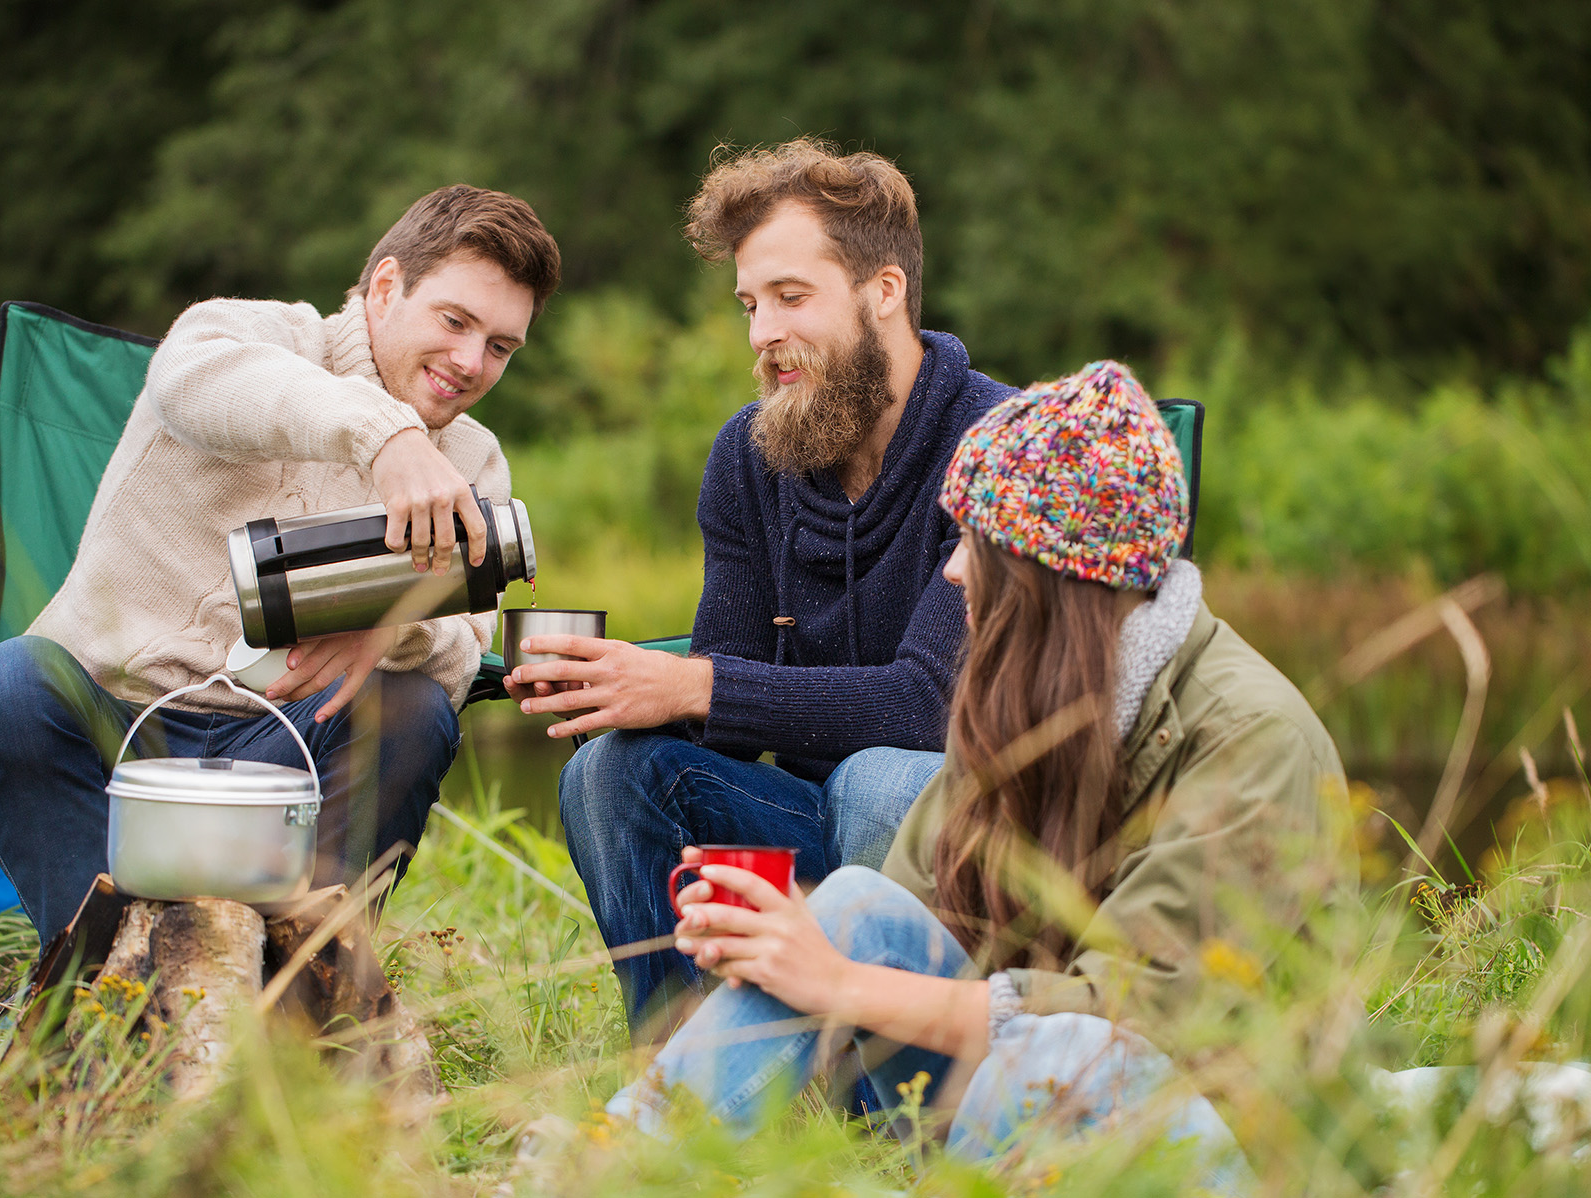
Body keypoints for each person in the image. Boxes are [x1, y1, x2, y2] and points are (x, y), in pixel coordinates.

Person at [579, 361, 1353, 1183]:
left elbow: (1138, 1020)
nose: (951, 571)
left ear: (1057, 574)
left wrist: (837, 982)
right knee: (851, 904)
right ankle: (618, 1167)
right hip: (1025, 1102)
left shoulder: (1250, 734)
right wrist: (787, 936)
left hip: (1222, 1133)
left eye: (976, 544)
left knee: (1053, 1053)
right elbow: (914, 918)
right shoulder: (1026, 689)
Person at [0, 185, 562, 947]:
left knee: (411, 710)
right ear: (383, 287)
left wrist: (391, 629)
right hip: (119, 727)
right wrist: (386, 437)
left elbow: (463, 646)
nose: (472, 362)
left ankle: (298, 999)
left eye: (501, 347)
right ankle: (104, 983)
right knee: (9, 682)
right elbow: (192, 383)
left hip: (290, 747)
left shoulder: (475, 461)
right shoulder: (243, 334)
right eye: (455, 321)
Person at [506, 138, 1015, 1024]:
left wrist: (691, 683)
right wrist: (624, 691)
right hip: (814, 819)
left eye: (791, 297)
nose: (763, 333)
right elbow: (730, 722)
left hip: (970, 837)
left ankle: (885, 1061)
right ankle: (683, 1067)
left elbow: (929, 708)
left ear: (882, 291)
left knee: (876, 783)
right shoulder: (752, 454)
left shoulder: (1001, 440)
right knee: (610, 772)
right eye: (749, 304)